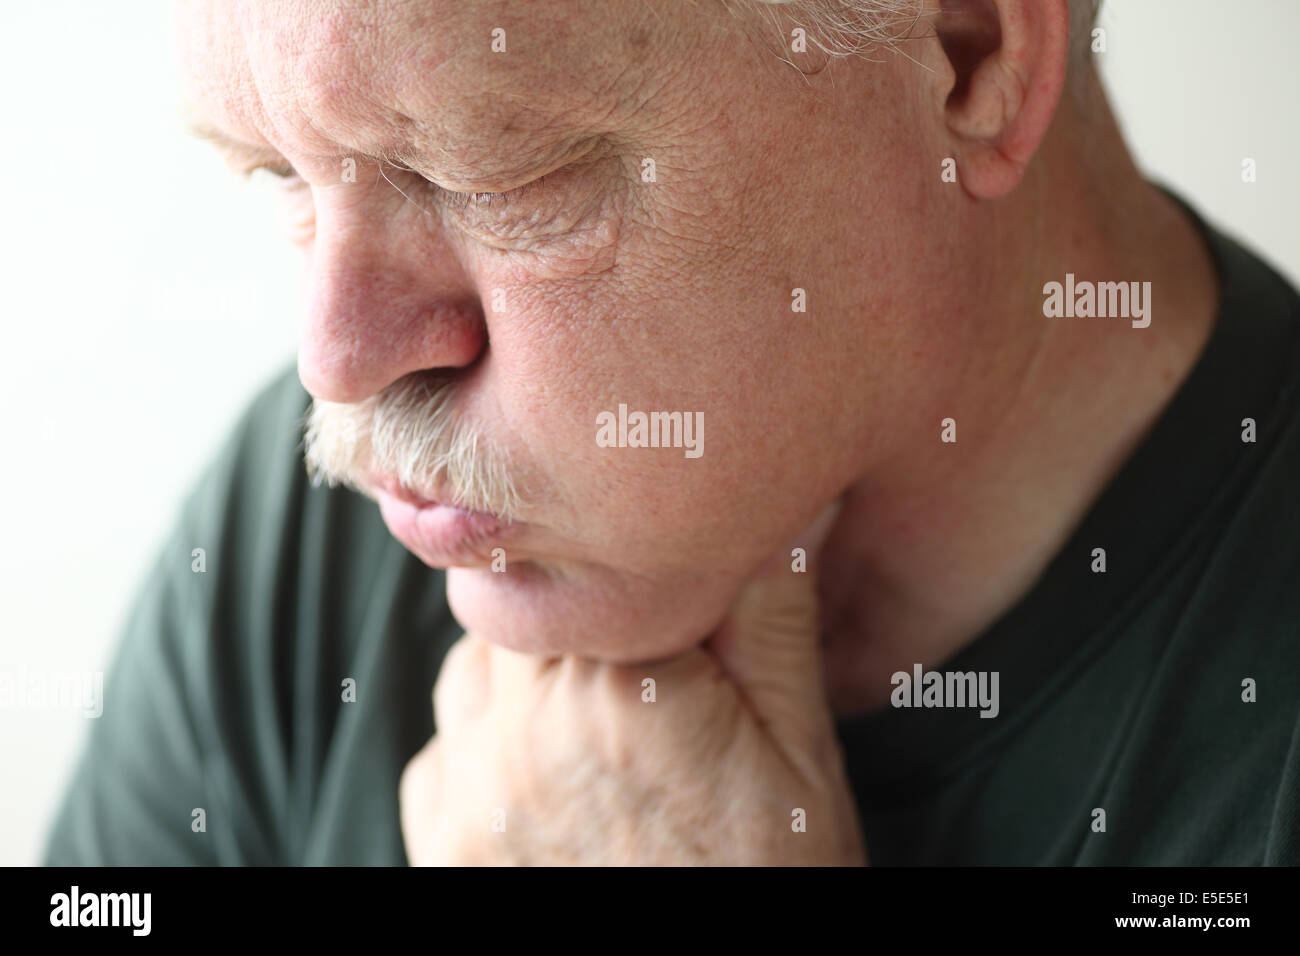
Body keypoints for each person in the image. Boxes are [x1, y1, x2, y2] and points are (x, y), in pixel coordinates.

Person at [45, 0, 1300, 865]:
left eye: (500, 178)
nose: (339, 361)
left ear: (964, 53)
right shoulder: (293, 546)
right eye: (281, 178)